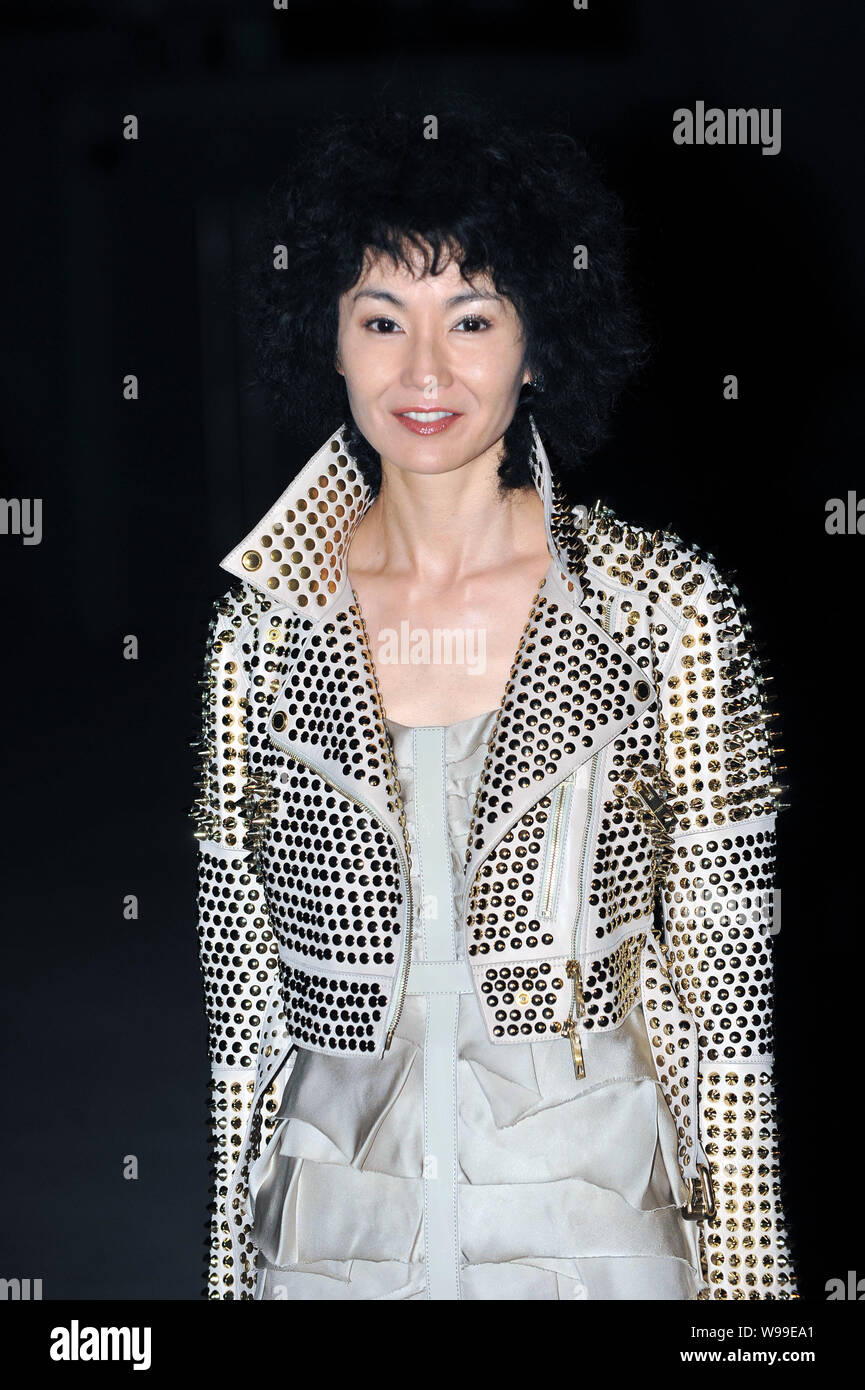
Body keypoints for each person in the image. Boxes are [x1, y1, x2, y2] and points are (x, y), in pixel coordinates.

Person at [191, 97, 798, 1300]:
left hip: (592, 1229)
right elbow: (241, 1039)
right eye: (381, 320)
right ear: (330, 339)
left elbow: (727, 1022)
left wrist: (752, 1317)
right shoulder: (257, 632)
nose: (425, 371)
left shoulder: (659, 609)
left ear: (538, 339)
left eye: (471, 317)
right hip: (335, 1240)